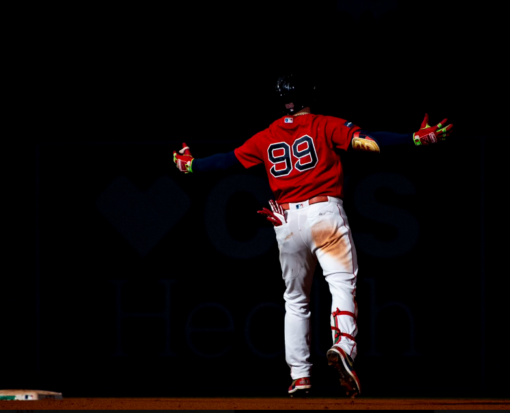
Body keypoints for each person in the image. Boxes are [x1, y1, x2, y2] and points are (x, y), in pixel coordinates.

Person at [173, 74, 453, 397]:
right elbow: (369, 142)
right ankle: (343, 346)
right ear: (311, 95)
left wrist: (190, 165)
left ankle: (300, 376)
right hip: (324, 214)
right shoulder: (323, 124)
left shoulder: (266, 136)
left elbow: (225, 161)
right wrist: (415, 139)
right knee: (342, 285)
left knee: (295, 300)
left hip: (286, 221)